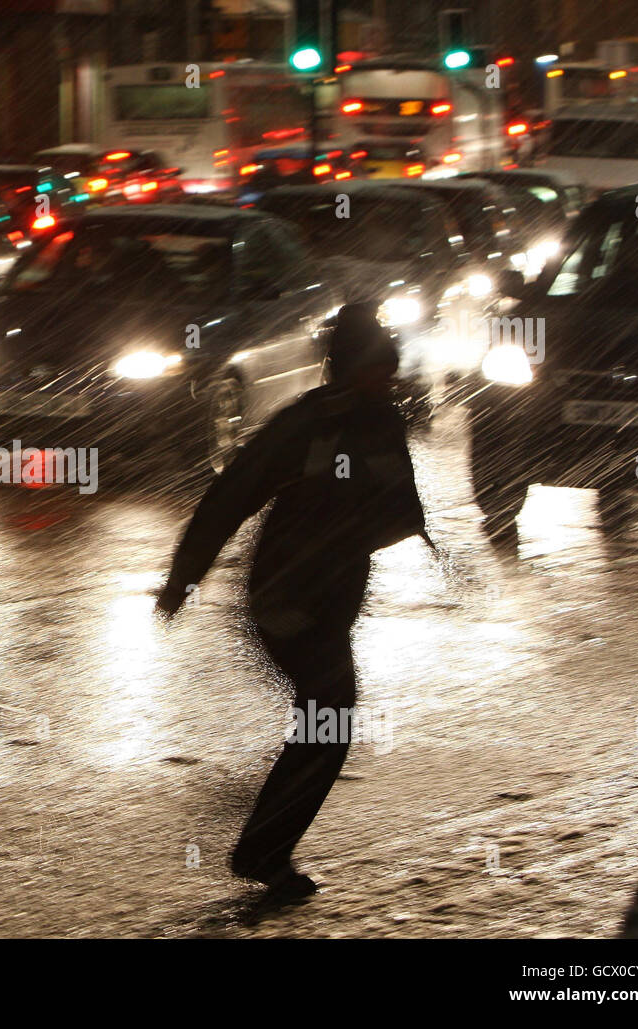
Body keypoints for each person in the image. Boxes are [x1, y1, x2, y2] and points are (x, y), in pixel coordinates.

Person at [155, 303, 431, 902]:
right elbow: (232, 495)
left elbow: (398, 507)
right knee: (328, 718)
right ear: (350, 367)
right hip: (286, 596)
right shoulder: (308, 425)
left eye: (390, 366)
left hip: (328, 597)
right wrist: (183, 577)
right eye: (378, 366)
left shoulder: (380, 419)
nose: (387, 376)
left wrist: (383, 527)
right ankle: (264, 849)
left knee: (325, 720)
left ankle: (266, 844)